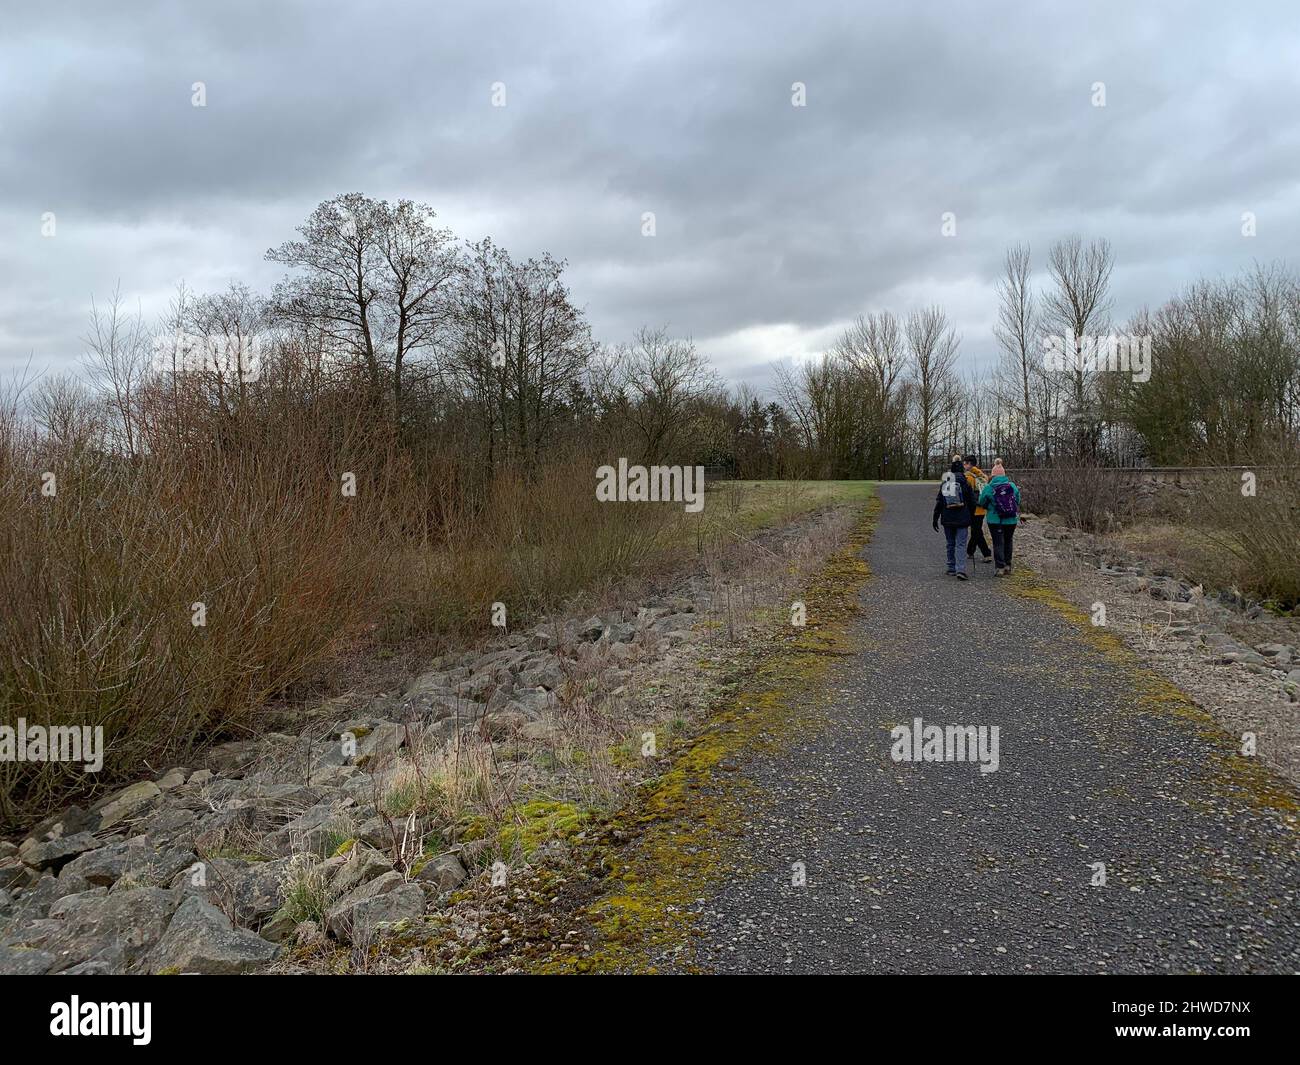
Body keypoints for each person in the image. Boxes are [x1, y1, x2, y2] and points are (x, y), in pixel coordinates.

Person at [932, 458, 976, 579]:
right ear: (962, 470)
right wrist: (972, 517)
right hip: (963, 518)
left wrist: (935, 518)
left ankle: (951, 567)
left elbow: (939, 502)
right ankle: (960, 569)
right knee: (961, 544)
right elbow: (972, 502)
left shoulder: (945, 482)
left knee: (950, 543)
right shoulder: (965, 482)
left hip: (947, 518)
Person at [977, 458, 1021, 576]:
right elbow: (1018, 500)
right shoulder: (1012, 486)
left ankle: (1000, 568)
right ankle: (1008, 565)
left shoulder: (988, 487)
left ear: (993, 475)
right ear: (1004, 474)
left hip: (995, 520)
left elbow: (981, 502)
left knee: (998, 542)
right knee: (1008, 541)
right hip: (1011, 520)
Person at [962, 456, 992, 564]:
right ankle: (970, 551)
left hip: (972, 508)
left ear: (970, 464)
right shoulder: (983, 476)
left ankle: (987, 553)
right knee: (976, 530)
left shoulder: (968, 477)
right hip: (981, 508)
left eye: (965, 463)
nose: (964, 465)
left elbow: (965, 494)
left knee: (977, 532)